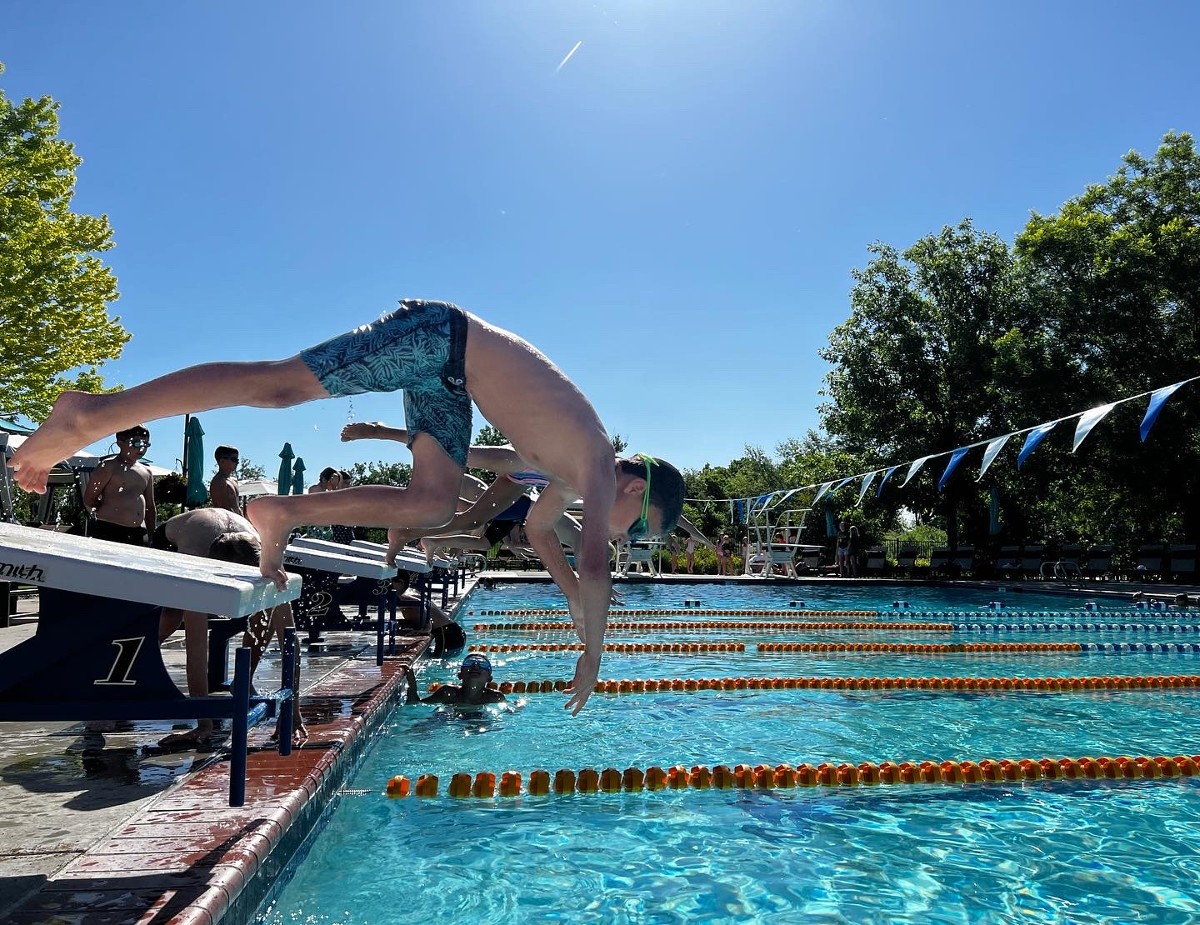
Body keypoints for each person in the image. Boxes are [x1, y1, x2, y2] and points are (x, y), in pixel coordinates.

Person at [12, 299, 685, 714]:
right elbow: (594, 562)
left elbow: (543, 530)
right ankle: (91, 413)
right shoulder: (598, 459)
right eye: (635, 530)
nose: (621, 537)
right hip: (441, 337)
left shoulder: (571, 469)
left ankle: (279, 512)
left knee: (431, 501)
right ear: (634, 490)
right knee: (278, 387)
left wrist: (567, 592)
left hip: (453, 379)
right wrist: (593, 652)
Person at [153, 508, 307, 748]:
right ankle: (137, 671)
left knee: (266, 610)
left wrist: (294, 711)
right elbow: (196, 651)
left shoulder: (268, 562)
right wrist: (204, 724)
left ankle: (242, 681)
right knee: (169, 618)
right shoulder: (196, 563)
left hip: (226, 532)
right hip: (170, 539)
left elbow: (290, 640)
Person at [83, 425, 156, 545]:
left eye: (146, 444)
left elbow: (150, 507)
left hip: (137, 532)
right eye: (136, 443)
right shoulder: (108, 467)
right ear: (120, 443)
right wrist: (109, 510)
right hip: (109, 529)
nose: (141, 449)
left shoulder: (146, 472)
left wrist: (152, 534)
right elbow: (89, 498)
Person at [404, 654, 506, 707]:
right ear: (460, 675)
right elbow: (416, 704)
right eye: (469, 663)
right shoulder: (448, 693)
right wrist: (412, 685)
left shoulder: (494, 697)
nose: (475, 666)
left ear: (489, 678)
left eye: (482, 664)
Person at [209, 445, 241, 513]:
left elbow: (237, 507)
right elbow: (224, 509)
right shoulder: (219, 481)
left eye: (237, 460)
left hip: (236, 519)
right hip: (226, 521)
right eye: (234, 460)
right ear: (222, 461)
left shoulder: (234, 480)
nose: (237, 463)